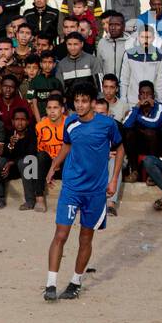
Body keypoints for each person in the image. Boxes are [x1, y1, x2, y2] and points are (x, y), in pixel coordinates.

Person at [43, 84, 123, 301]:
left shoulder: (107, 125)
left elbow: (121, 148)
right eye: (76, 101)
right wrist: (54, 166)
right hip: (71, 188)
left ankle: (75, 282)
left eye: (84, 101)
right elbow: (66, 146)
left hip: (96, 191)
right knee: (61, 234)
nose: (80, 105)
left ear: (92, 102)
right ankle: (50, 284)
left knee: (85, 238)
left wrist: (114, 178)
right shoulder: (70, 122)